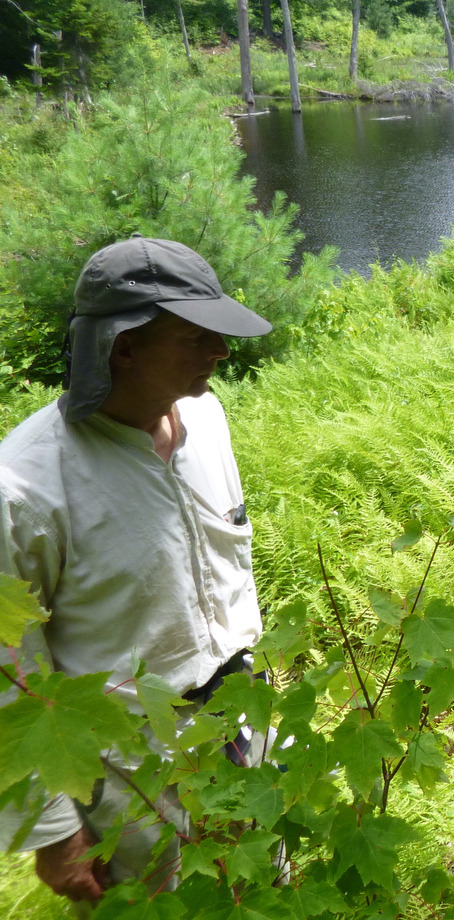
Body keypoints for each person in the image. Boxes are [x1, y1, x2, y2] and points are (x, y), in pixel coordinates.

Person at [0, 236, 273, 905]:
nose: (221, 350)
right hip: (133, 774)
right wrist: (53, 831)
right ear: (124, 346)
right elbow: (11, 676)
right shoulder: (25, 488)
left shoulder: (206, 420)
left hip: (242, 721)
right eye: (196, 336)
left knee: (263, 890)